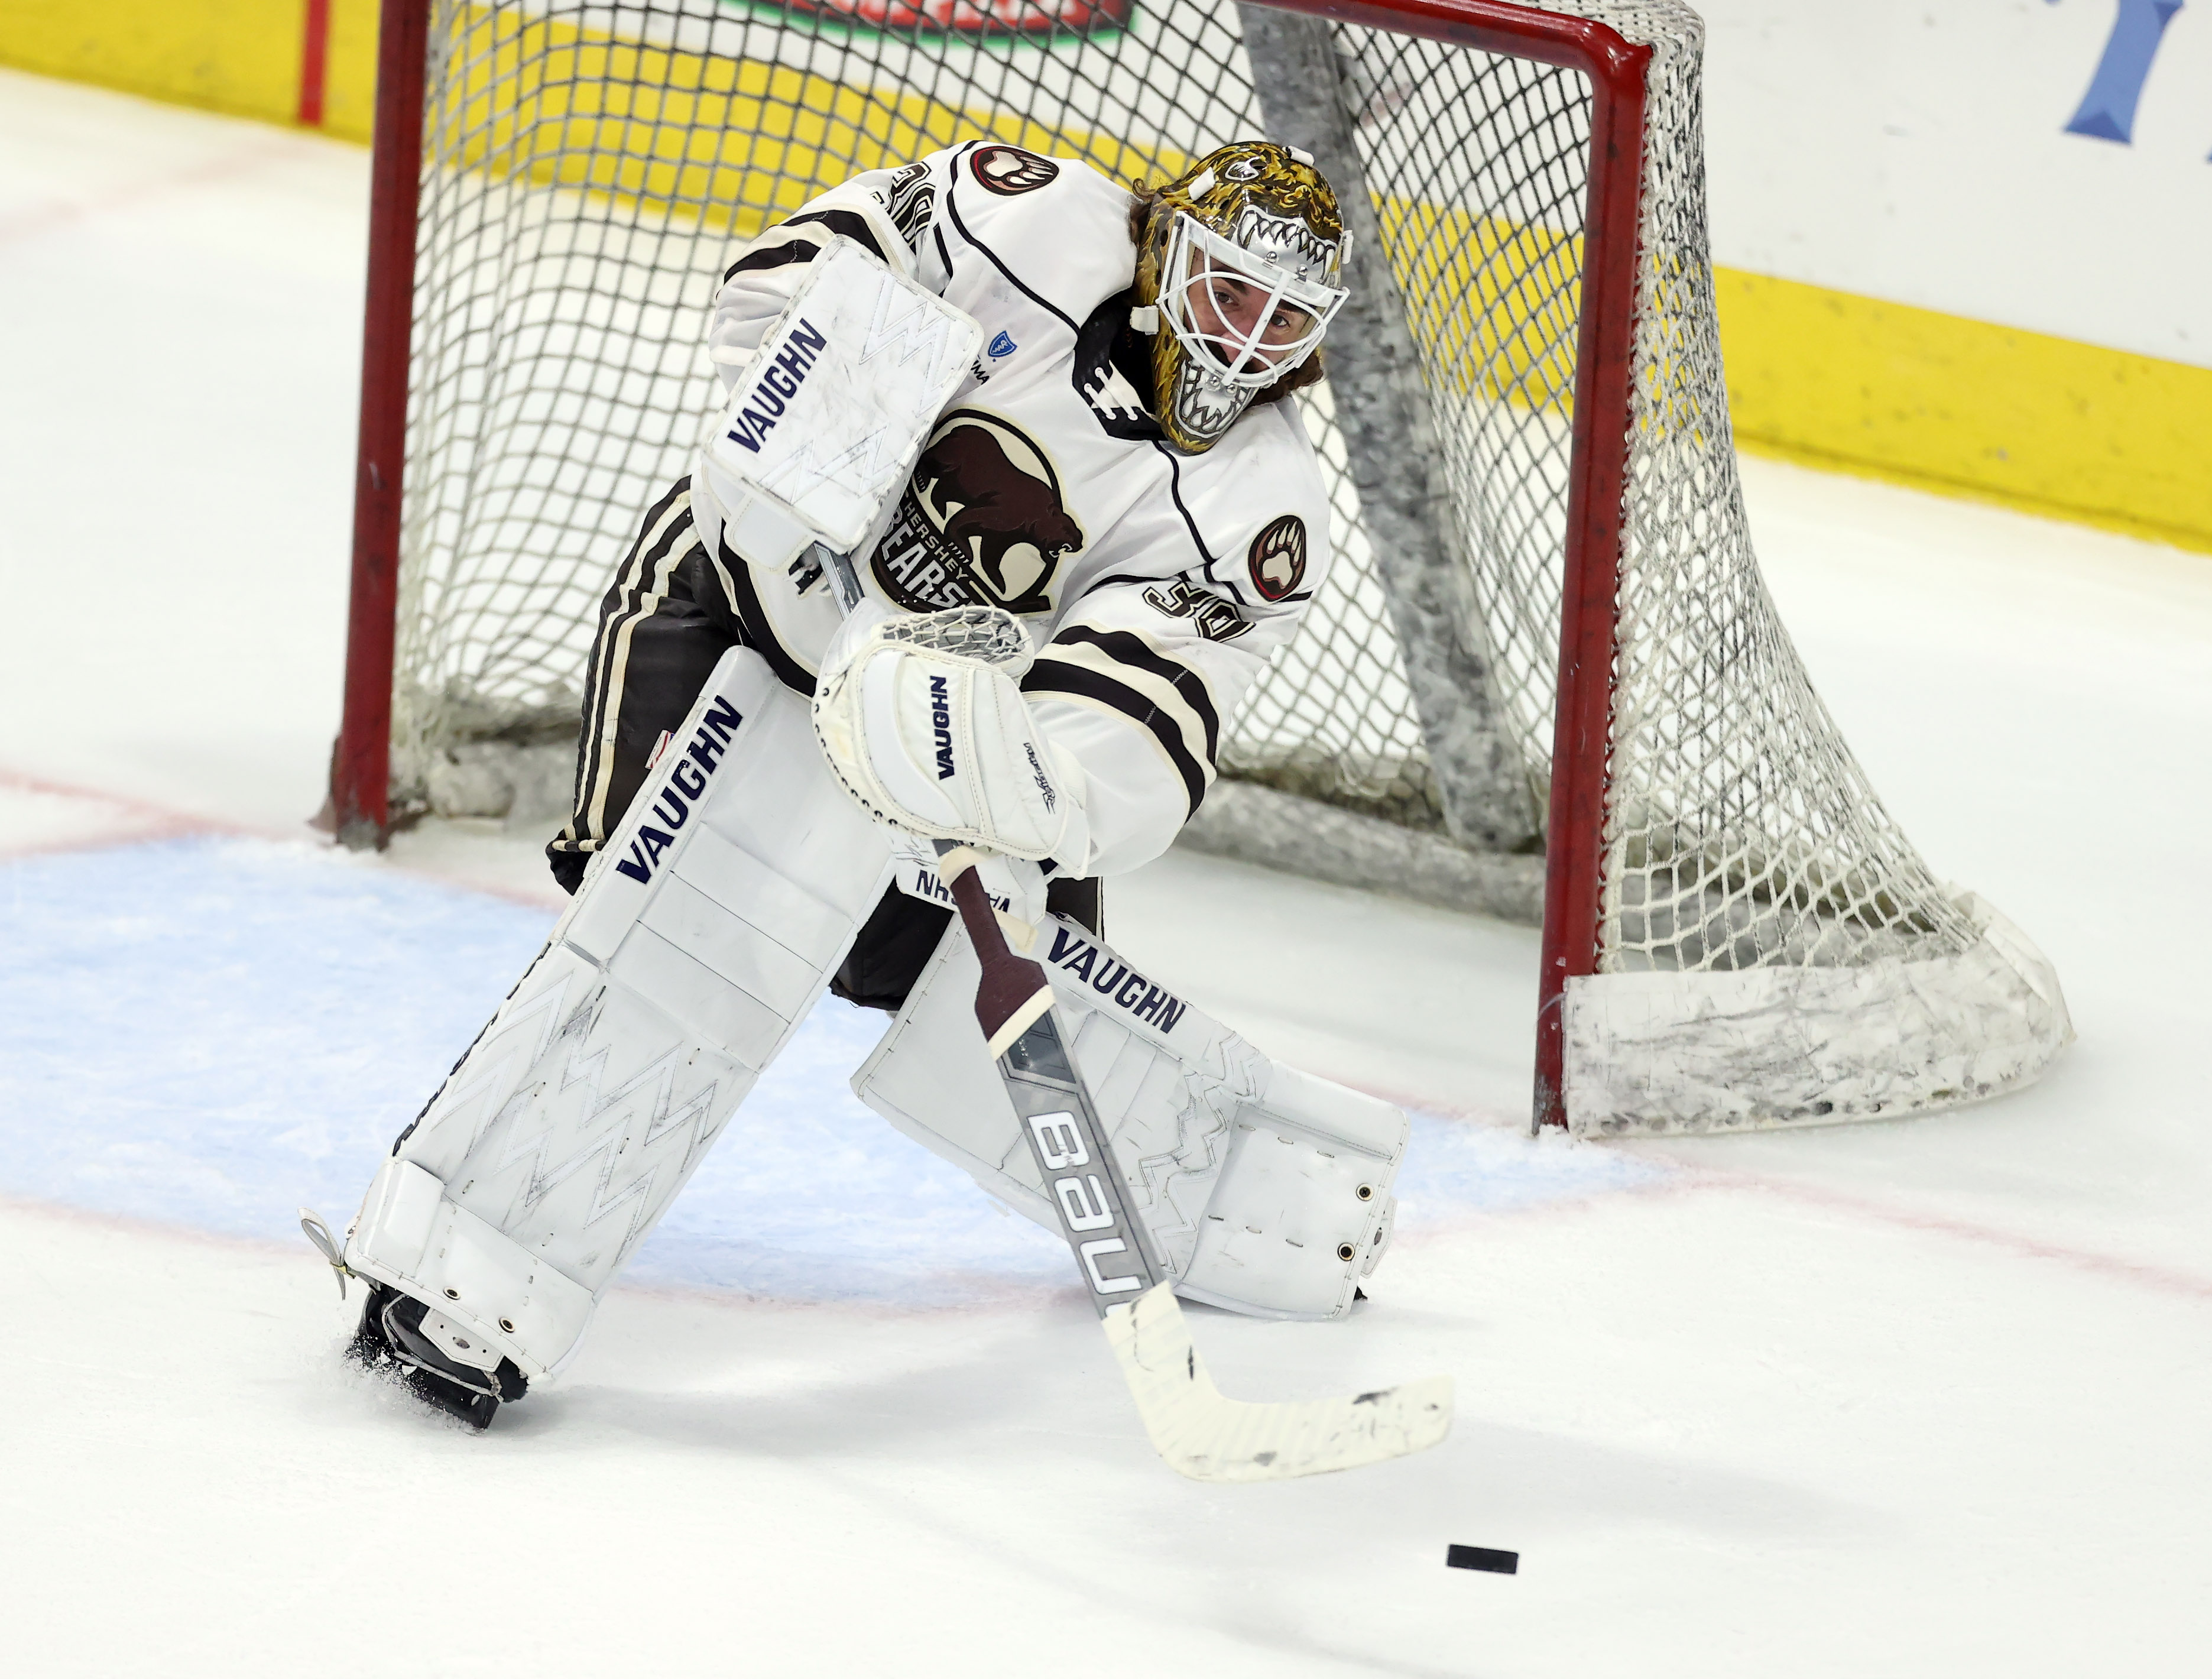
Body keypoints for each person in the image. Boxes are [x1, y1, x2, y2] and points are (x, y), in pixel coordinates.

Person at [312, 138, 1415, 1430]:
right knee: (663, 915)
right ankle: (462, 1281)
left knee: (1010, 1000)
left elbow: (1132, 721)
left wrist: (992, 786)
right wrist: (812, 538)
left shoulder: (1256, 507)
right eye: (1232, 295)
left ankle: (1275, 1206)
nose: (1248, 344)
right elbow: (785, 305)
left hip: (936, 720)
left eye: (1286, 321)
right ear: (1166, 251)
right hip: (745, 603)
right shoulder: (1024, 221)